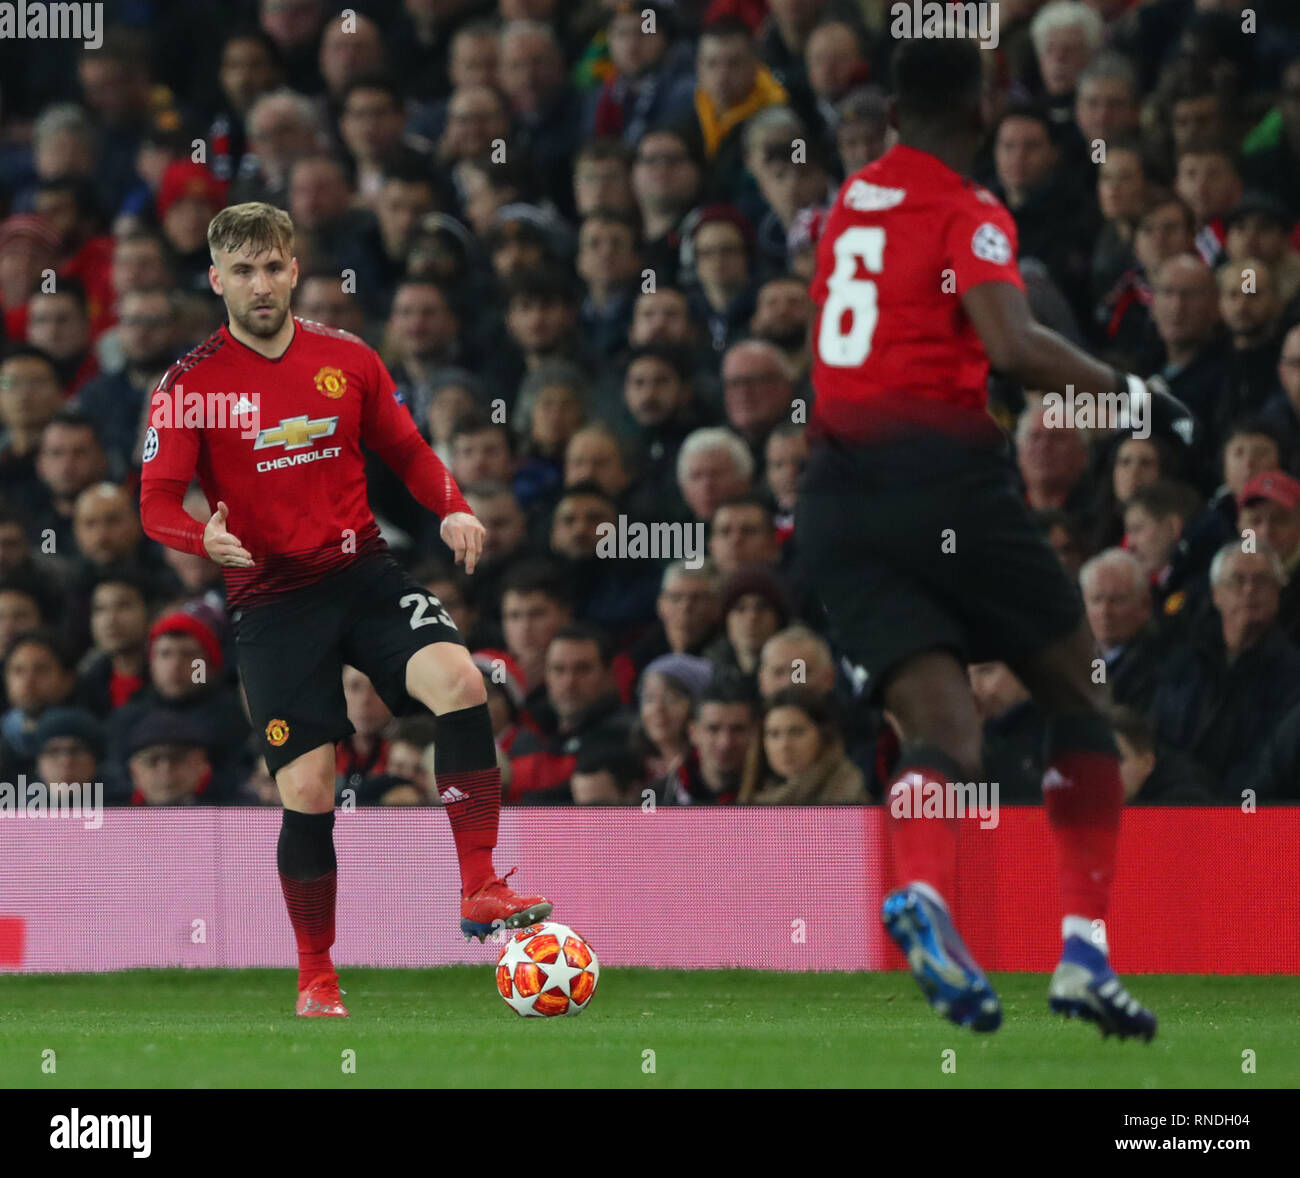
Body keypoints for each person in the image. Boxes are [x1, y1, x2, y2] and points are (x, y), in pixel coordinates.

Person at [799, 38, 1161, 1038]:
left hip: (834, 497)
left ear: (893, 110)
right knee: (1079, 689)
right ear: (989, 99)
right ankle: (1083, 950)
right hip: (940, 479)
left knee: (943, 736)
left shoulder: (848, 204)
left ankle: (925, 894)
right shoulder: (968, 210)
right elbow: (1010, 343)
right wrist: (1131, 393)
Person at [138, 202, 550, 1018]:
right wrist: (200, 538)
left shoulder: (348, 360)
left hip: (362, 571)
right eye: (243, 271)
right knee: (312, 792)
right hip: (271, 601)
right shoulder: (191, 386)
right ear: (217, 279)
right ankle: (316, 975)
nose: (260, 285)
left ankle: (480, 887)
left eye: (273, 267)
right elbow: (152, 501)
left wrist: (453, 506)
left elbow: (406, 448)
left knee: (463, 683)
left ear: (294, 270)